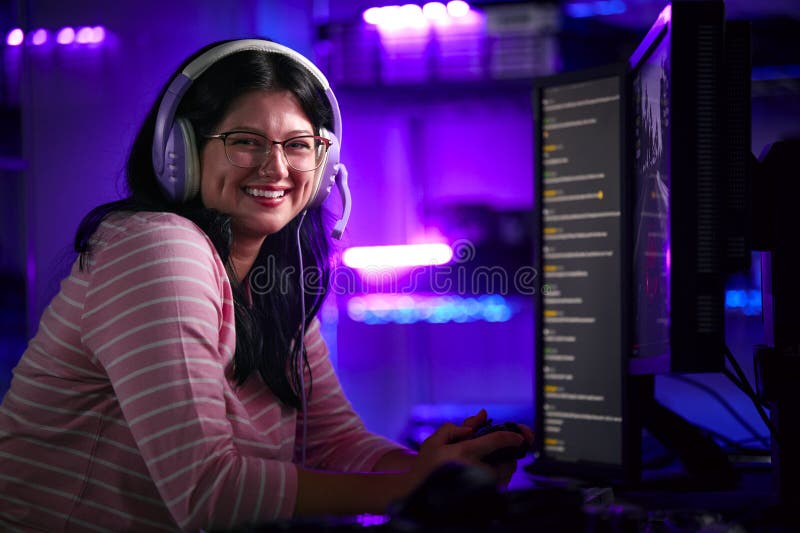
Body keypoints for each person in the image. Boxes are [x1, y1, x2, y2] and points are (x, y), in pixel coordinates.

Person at [0, 39, 531, 532]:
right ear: (180, 152)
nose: (276, 168)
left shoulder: (274, 276)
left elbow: (331, 444)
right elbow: (205, 489)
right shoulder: (157, 246)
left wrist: (441, 471)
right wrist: (411, 487)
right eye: (245, 142)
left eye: (298, 145)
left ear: (324, 165)